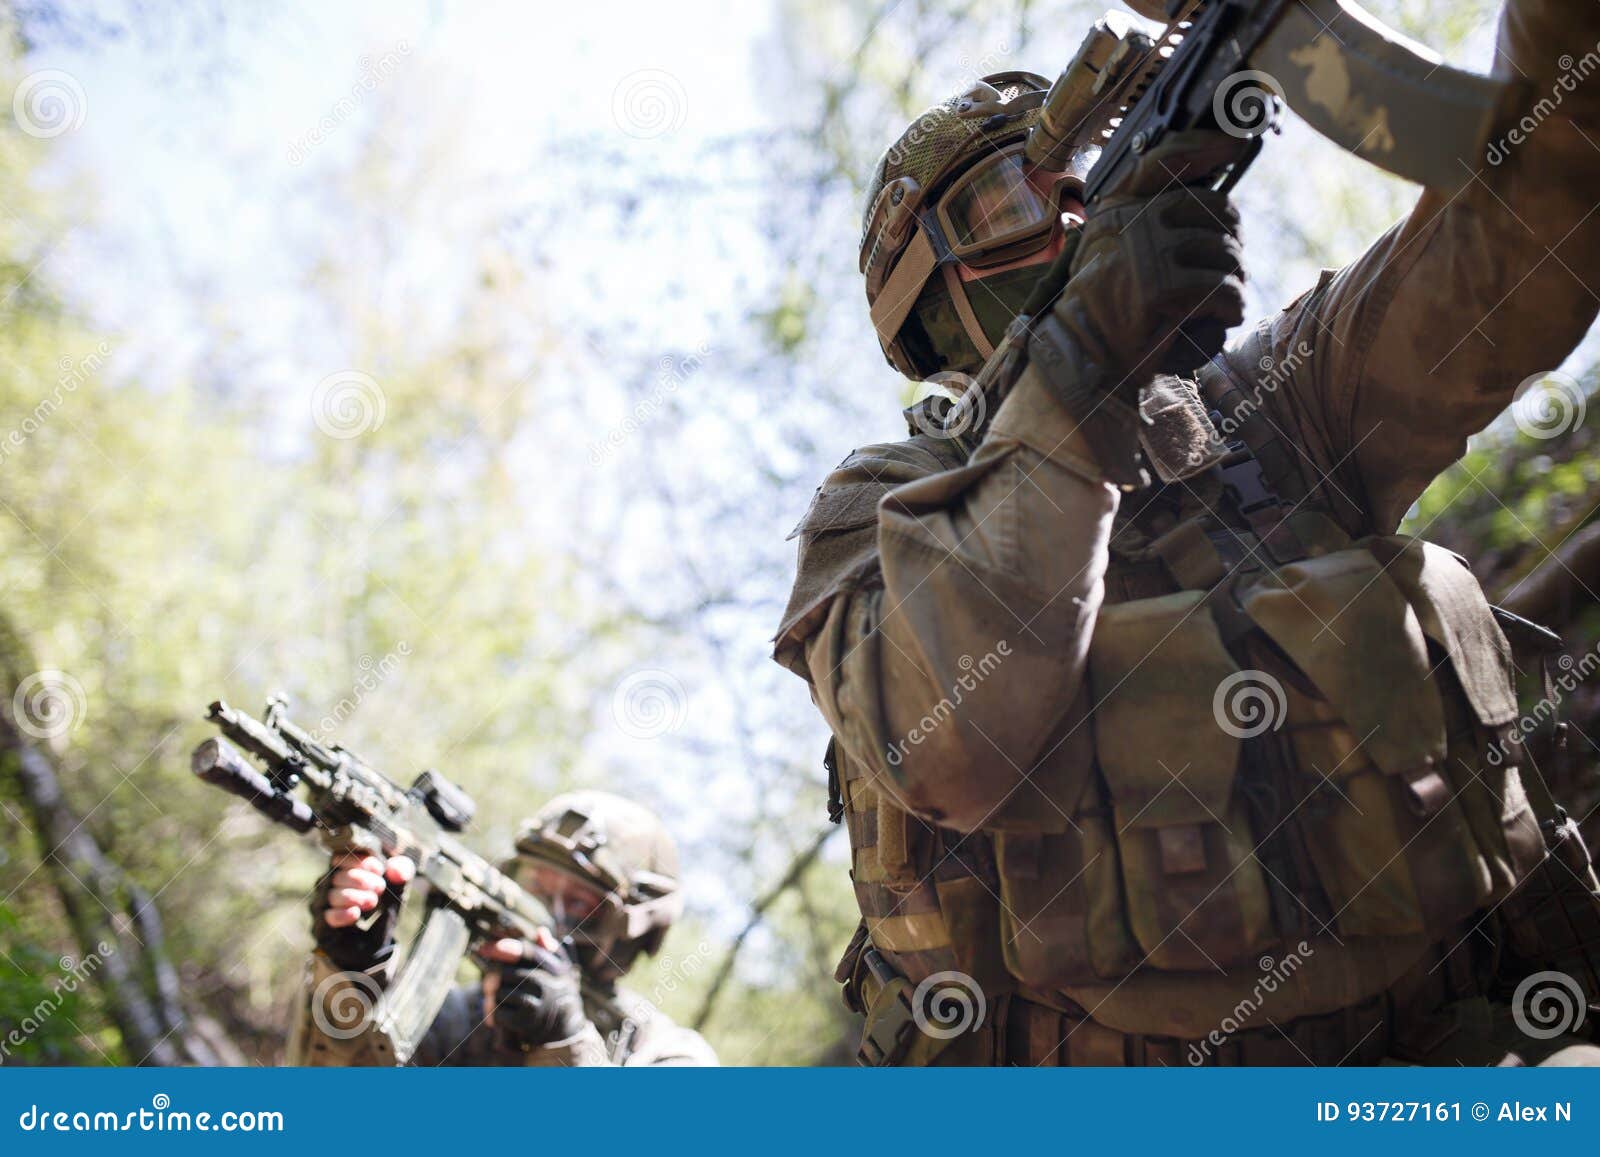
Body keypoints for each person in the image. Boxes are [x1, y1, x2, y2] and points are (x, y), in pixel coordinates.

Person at [775, 1, 1600, 1067]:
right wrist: (1078, 366)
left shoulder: (1277, 411)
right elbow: (948, 740)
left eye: (1079, 179)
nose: (1069, 212)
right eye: (1003, 203)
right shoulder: (875, 514)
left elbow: (1525, 235)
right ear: (926, 305)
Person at [287, 790, 717, 1066]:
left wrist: (564, 1044)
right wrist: (354, 972)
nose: (547, 911)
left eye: (580, 904)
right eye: (533, 886)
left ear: (633, 931)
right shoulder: (456, 1018)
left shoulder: (667, 1056)